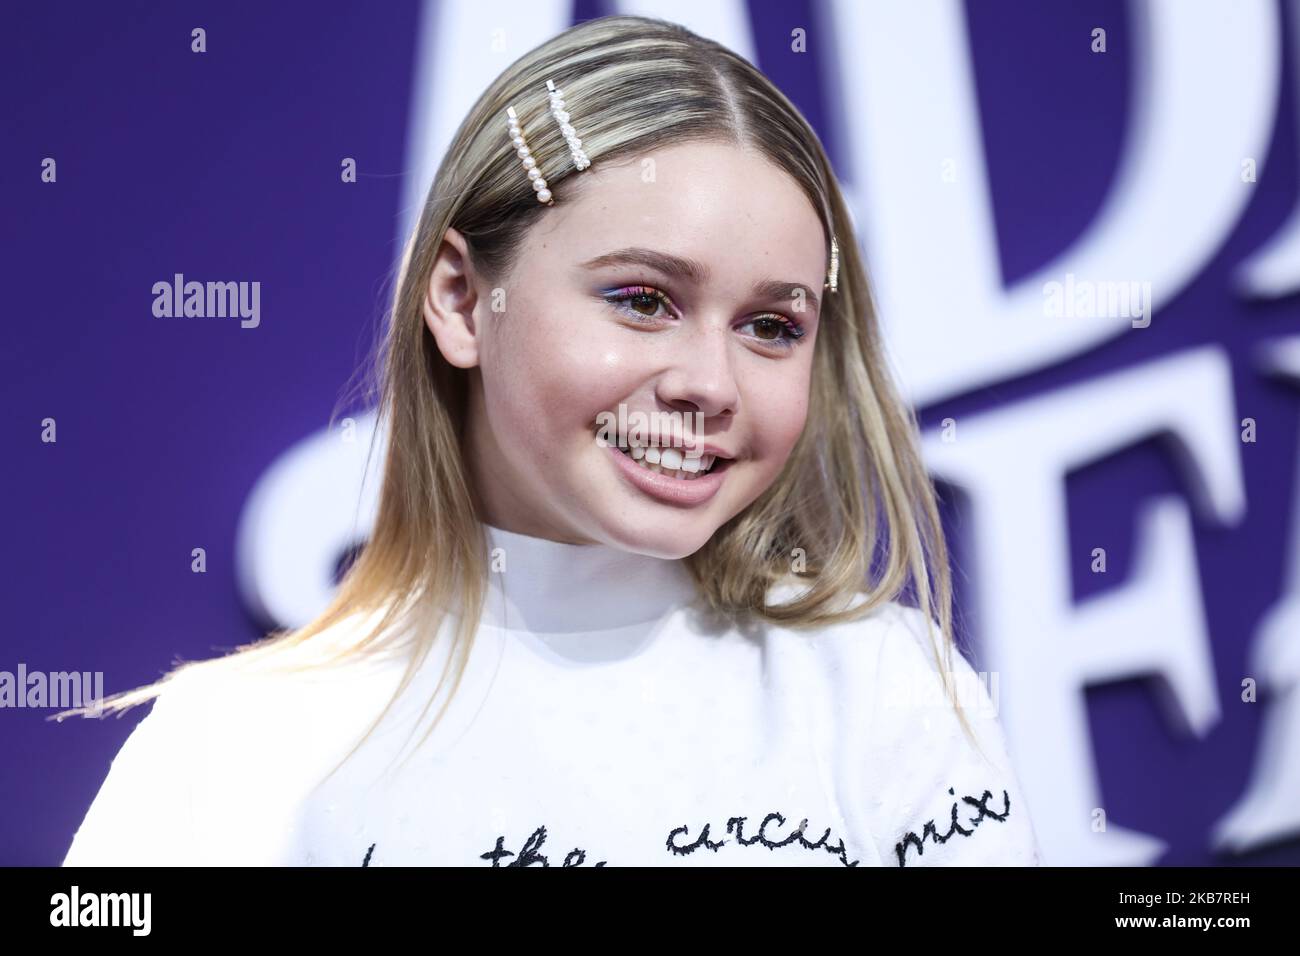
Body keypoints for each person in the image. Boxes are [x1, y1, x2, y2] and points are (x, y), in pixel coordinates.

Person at [60, 14, 1041, 867]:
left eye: (771, 325)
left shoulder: (881, 691)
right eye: (643, 299)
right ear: (458, 297)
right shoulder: (234, 747)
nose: (710, 382)